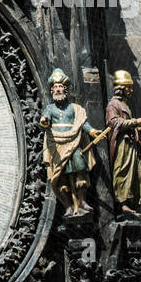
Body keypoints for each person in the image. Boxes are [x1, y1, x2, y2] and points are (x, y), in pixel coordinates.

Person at [105, 70, 141, 215]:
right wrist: (135, 122)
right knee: (123, 171)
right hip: (122, 145)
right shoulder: (113, 104)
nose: (131, 90)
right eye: (128, 87)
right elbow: (113, 122)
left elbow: (128, 124)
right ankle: (123, 203)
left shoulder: (124, 105)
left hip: (131, 144)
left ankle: (133, 203)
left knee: (139, 173)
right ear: (120, 88)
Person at [40, 68, 95, 216]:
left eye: (60, 87)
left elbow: (81, 122)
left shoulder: (73, 108)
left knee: (81, 169)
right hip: (57, 145)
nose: (58, 90)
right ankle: (68, 205)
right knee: (61, 178)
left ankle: (81, 201)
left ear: (65, 89)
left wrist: (91, 131)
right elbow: (45, 120)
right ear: (52, 90)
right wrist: (44, 121)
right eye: (56, 87)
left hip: (73, 143)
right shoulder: (50, 108)